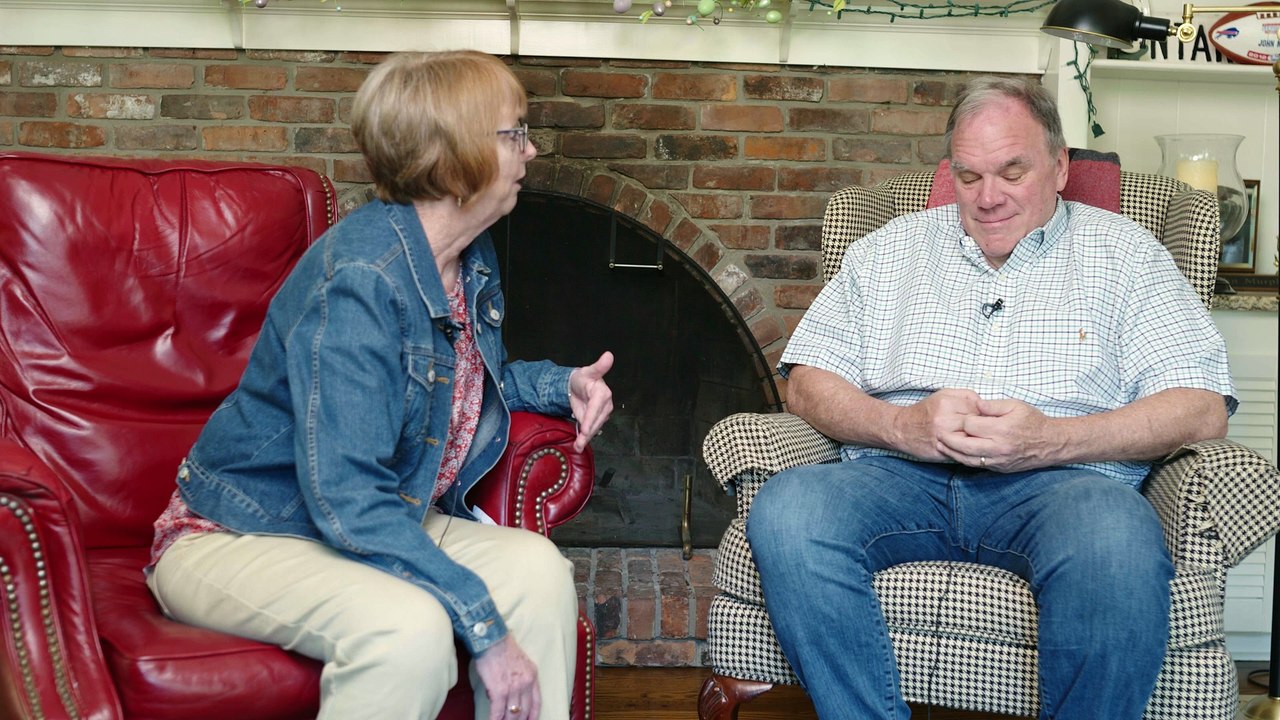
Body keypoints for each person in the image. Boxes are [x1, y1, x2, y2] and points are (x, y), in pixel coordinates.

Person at [746, 76, 1236, 719]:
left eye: (1012, 171)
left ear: (1060, 166)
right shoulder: (891, 248)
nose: (989, 197)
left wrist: (1054, 440)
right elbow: (806, 380)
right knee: (789, 508)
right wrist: (900, 426)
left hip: (1065, 484)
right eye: (970, 177)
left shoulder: (1128, 255)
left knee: (1115, 540)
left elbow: (1199, 405)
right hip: (899, 478)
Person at [145, 50, 614, 720]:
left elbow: (457, 384)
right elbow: (345, 498)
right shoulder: (363, 279)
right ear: (457, 157)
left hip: (367, 518)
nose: (531, 150)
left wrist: (559, 384)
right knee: (409, 629)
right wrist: (484, 627)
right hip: (246, 535)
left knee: (537, 571)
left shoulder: (464, 259)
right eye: (514, 133)